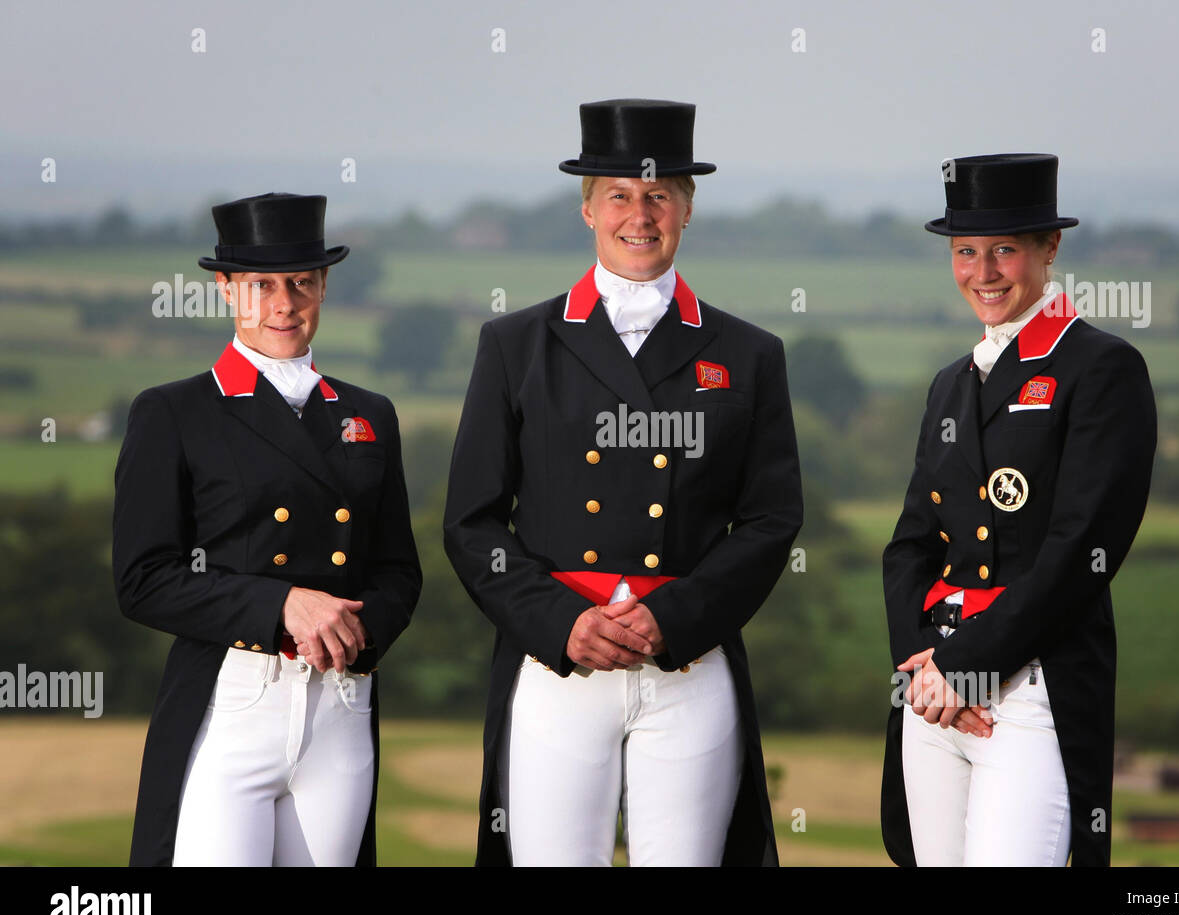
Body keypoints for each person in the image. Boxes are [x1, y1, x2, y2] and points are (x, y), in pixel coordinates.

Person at [443, 99, 802, 866]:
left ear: (688, 208)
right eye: (619, 196)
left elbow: (772, 521)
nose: (640, 215)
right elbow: (471, 523)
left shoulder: (748, 353)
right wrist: (558, 622)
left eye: (659, 195)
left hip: (689, 666)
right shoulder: (515, 344)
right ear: (588, 208)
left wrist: (673, 616)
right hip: (557, 667)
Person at [114, 192, 422, 866]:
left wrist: (356, 633)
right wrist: (282, 605)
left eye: (301, 283)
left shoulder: (371, 413)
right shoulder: (173, 412)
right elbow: (143, 581)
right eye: (261, 285)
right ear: (227, 289)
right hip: (232, 704)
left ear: (324, 285)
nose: (284, 304)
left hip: (342, 704)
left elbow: (399, 570)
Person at [880, 154, 1157, 866]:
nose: (983, 272)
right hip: (936, 691)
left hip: (1030, 691)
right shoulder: (950, 384)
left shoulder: (1103, 369)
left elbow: (1081, 550)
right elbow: (912, 545)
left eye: (1003, 249)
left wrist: (965, 665)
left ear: (1049, 247)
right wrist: (923, 669)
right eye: (965, 252)